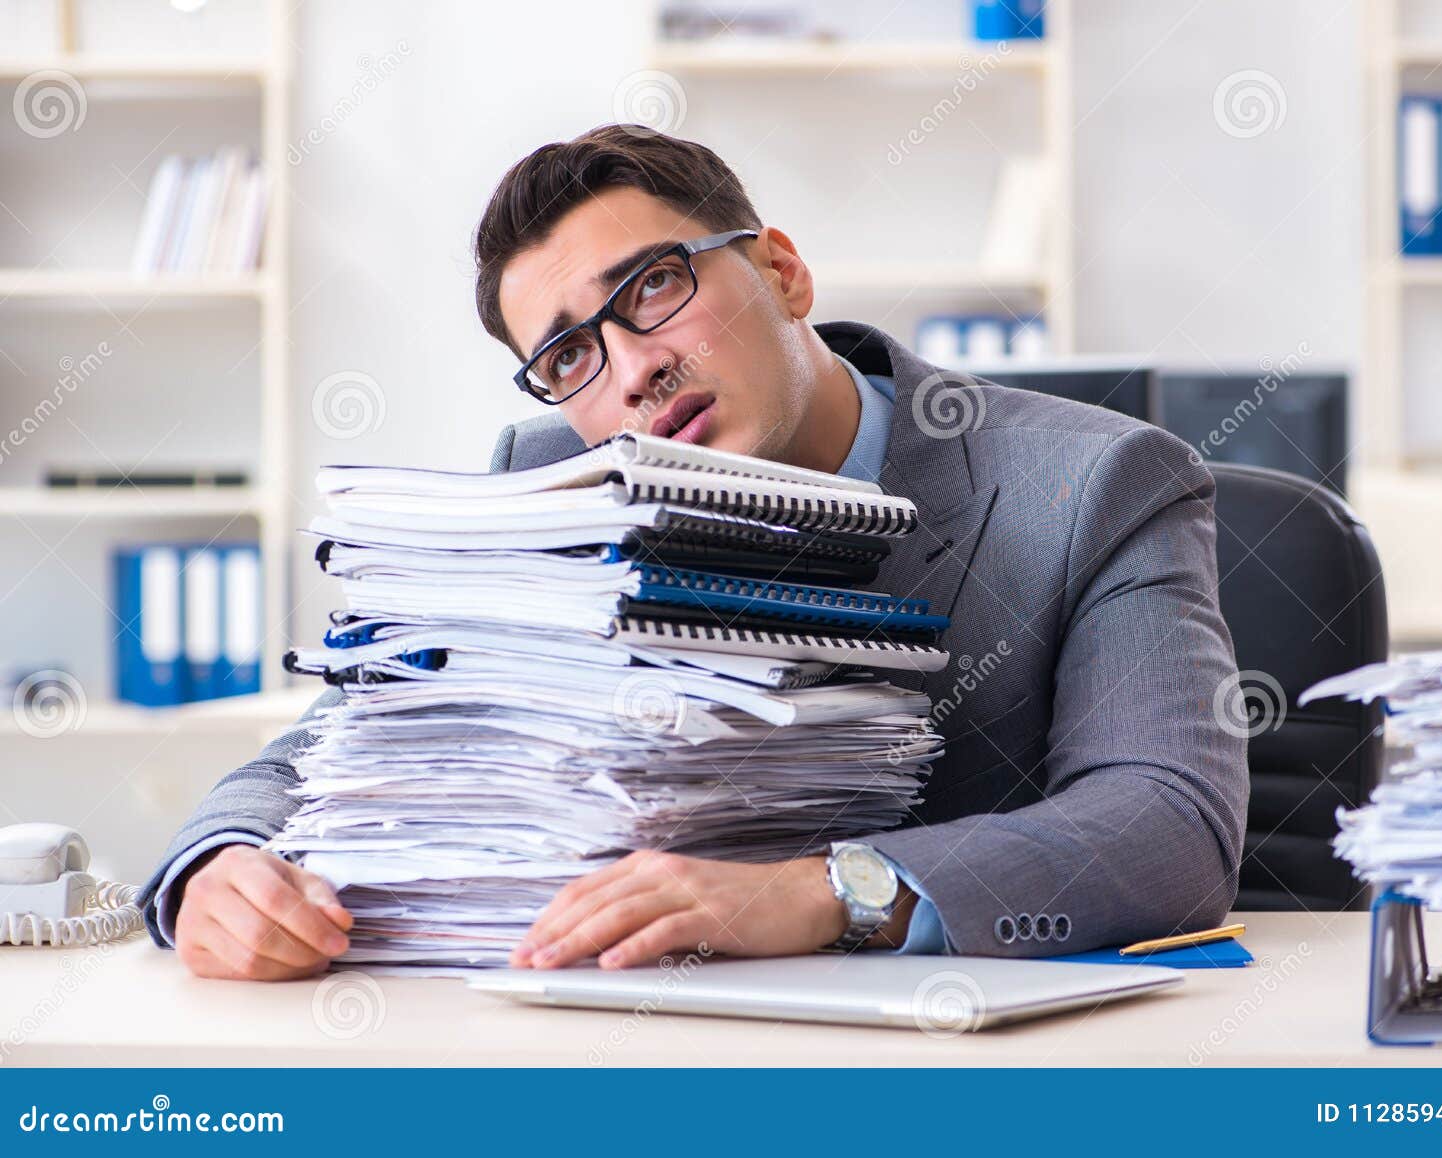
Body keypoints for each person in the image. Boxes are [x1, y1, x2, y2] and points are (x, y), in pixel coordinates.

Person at [139, 125, 1249, 981]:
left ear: (781, 273)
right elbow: (348, 735)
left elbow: (1167, 822)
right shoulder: (549, 484)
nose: (632, 372)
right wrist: (216, 865)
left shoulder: (1094, 483)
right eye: (570, 351)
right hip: (624, 1038)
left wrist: (826, 893)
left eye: (652, 290)